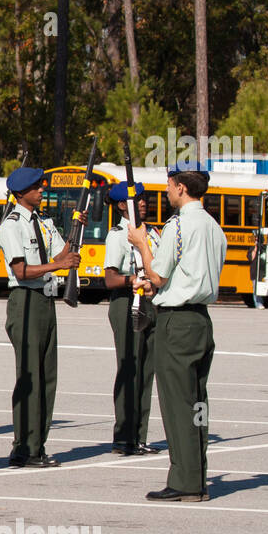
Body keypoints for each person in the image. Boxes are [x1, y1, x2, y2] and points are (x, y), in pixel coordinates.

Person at [127, 161, 227, 502]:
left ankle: (184, 481)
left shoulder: (179, 225)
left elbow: (159, 274)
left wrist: (142, 243)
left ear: (180, 187)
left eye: (169, 185)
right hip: (201, 319)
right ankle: (196, 476)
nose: (167, 191)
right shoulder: (214, 226)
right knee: (198, 403)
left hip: (177, 321)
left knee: (177, 403)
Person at [0, 166, 82, 468]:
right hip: (25, 300)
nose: (41, 191)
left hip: (45, 300)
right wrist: (56, 266)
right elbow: (21, 271)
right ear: (21, 193)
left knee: (47, 376)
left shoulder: (44, 222)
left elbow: (61, 255)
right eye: (36, 187)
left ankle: (38, 444)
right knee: (29, 376)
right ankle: (23, 446)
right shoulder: (11, 225)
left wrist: (75, 229)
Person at [103, 181, 160, 456]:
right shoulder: (117, 235)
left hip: (149, 300)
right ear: (122, 205)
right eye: (136, 199)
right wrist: (132, 279)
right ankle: (124, 436)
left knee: (146, 370)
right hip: (127, 301)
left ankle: (140, 434)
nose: (142, 202)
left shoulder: (153, 233)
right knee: (129, 368)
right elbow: (110, 277)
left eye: (143, 198)